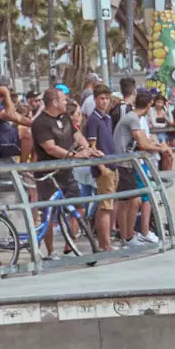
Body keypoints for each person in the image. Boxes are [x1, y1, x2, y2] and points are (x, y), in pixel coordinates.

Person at [31, 86, 100, 259]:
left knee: (79, 208)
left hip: (67, 173)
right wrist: (74, 155)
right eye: (63, 99)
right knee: (48, 213)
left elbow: (77, 135)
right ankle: (50, 250)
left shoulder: (65, 117)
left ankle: (71, 244)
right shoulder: (40, 123)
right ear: (54, 102)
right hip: (48, 174)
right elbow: (51, 148)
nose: (66, 102)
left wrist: (88, 149)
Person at [112, 89, 167, 248]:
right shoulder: (133, 118)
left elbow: (144, 140)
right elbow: (142, 143)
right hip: (125, 164)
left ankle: (126, 237)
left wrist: (156, 145)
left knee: (124, 202)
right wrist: (160, 149)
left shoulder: (133, 117)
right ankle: (128, 237)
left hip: (125, 163)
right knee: (134, 201)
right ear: (149, 105)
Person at [84, 83, 118, 252]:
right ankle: (104, 244)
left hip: (112, 165)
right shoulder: (93, 120)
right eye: (101, 98)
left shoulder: (108, 118)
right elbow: (92, 146)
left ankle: (106, 241)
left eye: (107, 98)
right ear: (95, 100)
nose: (104, 102)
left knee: (109, 206)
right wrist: (102, 168)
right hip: (103, 169)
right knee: (105, 207)